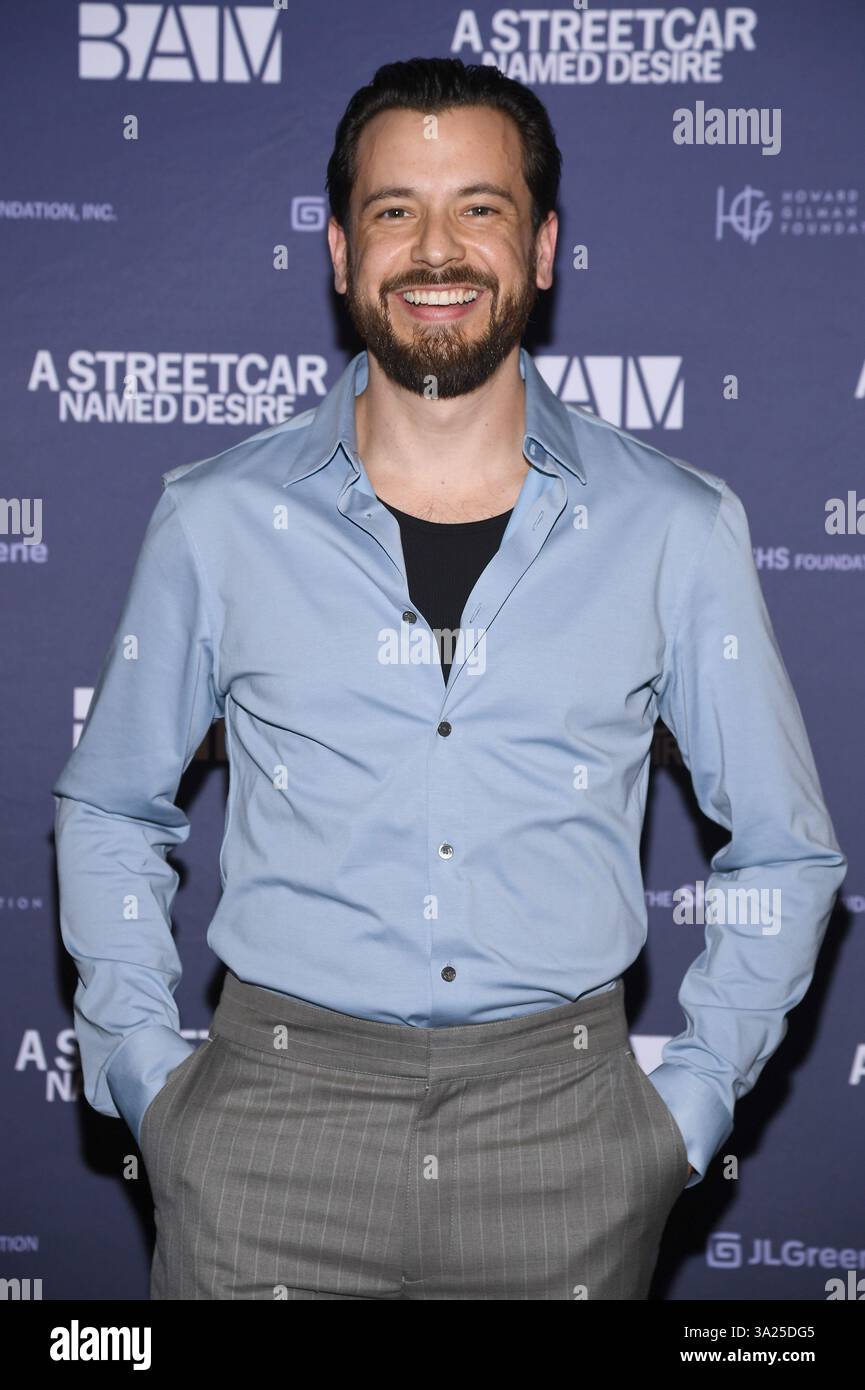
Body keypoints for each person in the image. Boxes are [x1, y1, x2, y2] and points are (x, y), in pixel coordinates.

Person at [52, 58, 846, 1301]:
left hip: (567, 1140)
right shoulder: (215, 518)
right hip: (266, 1130)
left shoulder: (673, 525)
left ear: (542, 248)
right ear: (336, 250)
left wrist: (680, 1116)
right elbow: (109, 808)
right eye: (393, 209)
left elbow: (787, 854)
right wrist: (154, 1085)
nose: (436, 249)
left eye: (479, 207)